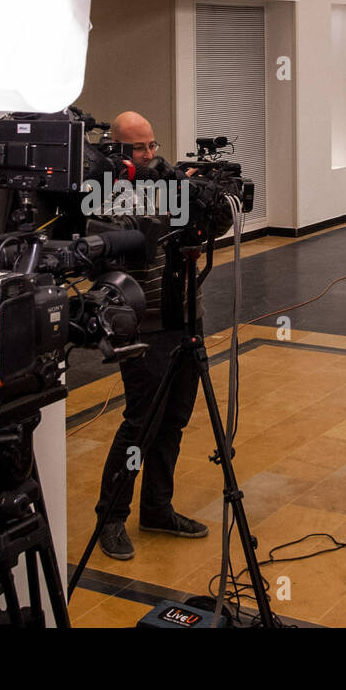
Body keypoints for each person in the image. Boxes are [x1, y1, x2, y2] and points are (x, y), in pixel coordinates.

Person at [93, 110, 208, 561]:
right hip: (143, 326)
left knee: (175, 421)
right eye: (138, 148)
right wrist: (168, 200)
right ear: (115, 151)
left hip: (185, 317)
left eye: (152, 145)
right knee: (141, 424)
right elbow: (129, 243)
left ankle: (158, 509)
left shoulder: (169, 184)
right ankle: (112, 517)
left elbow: (205, 232)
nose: (148, 155)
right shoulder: (102, 195)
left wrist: (201, 202)